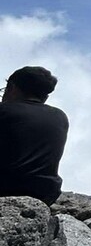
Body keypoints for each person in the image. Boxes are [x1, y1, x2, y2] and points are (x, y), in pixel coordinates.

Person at [0, 66, 69, 205]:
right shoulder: (60, 117)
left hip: (6, 187)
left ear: (12, 87)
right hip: (45, 193)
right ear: (45, 96)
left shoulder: (4, 111)